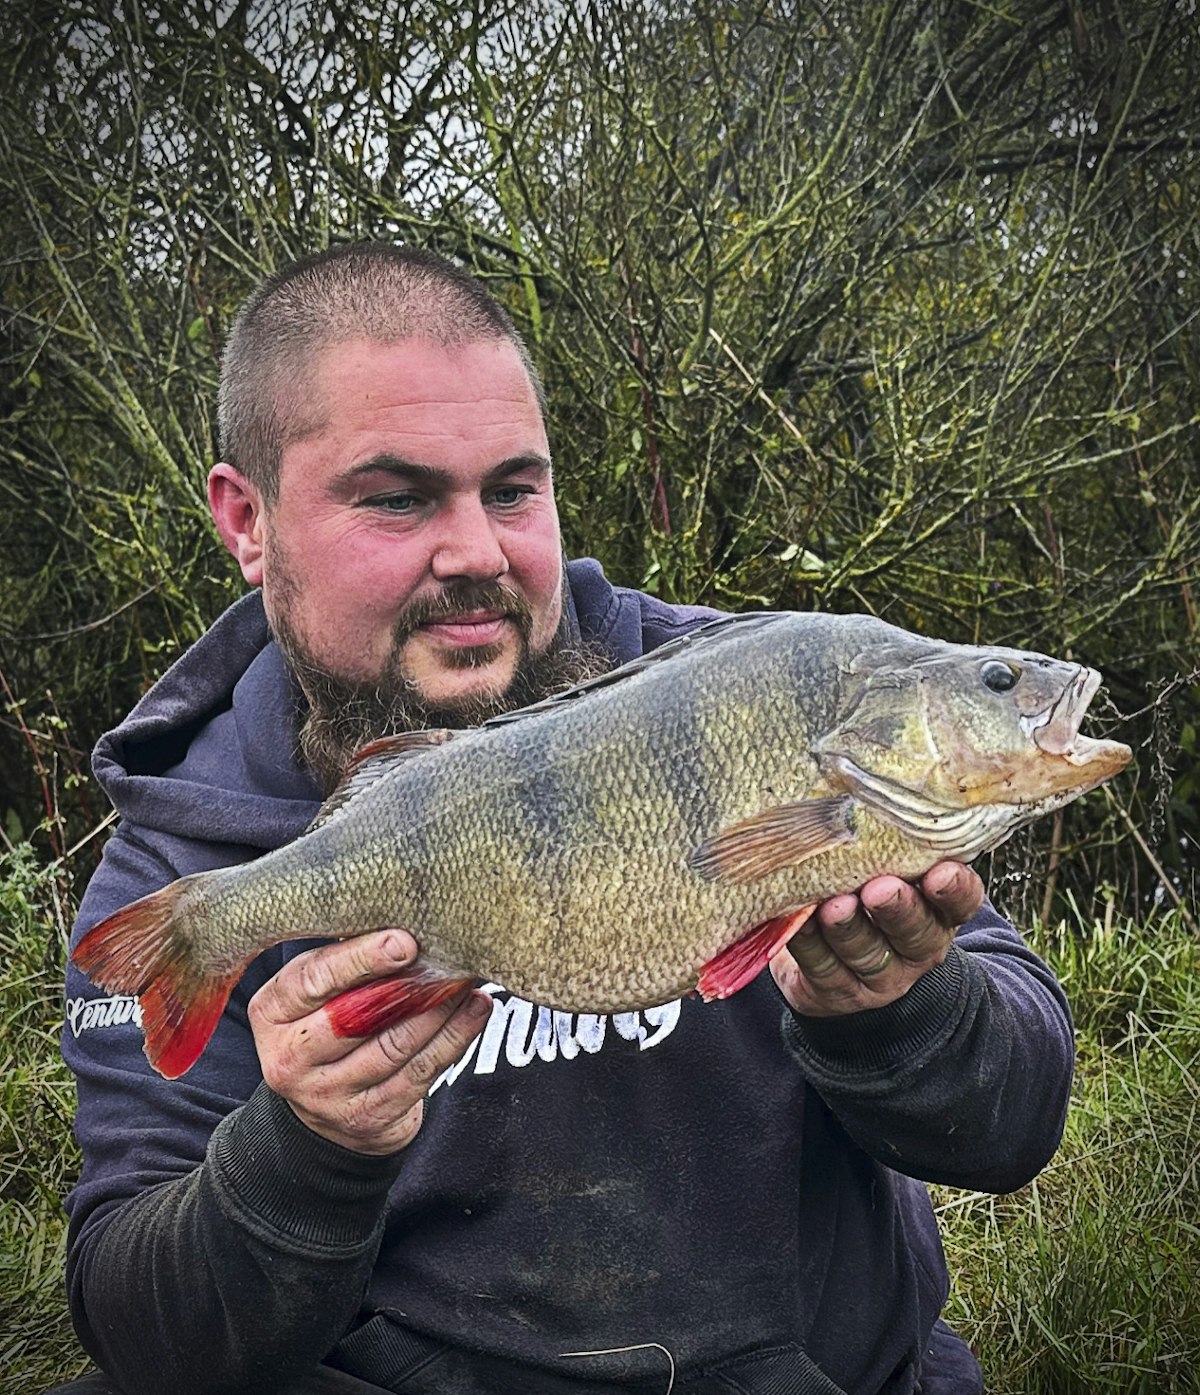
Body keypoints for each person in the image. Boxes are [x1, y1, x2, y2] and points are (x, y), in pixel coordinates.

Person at [55, 243, 1074, 1395]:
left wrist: (894, 1016)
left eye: (512, 488)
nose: (478, 553)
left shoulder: (740, 687)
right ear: (248, 521)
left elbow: (1016, 1123)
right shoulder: (184, 864)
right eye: (396, 499)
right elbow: (137, 1323)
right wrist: (305, 1153)